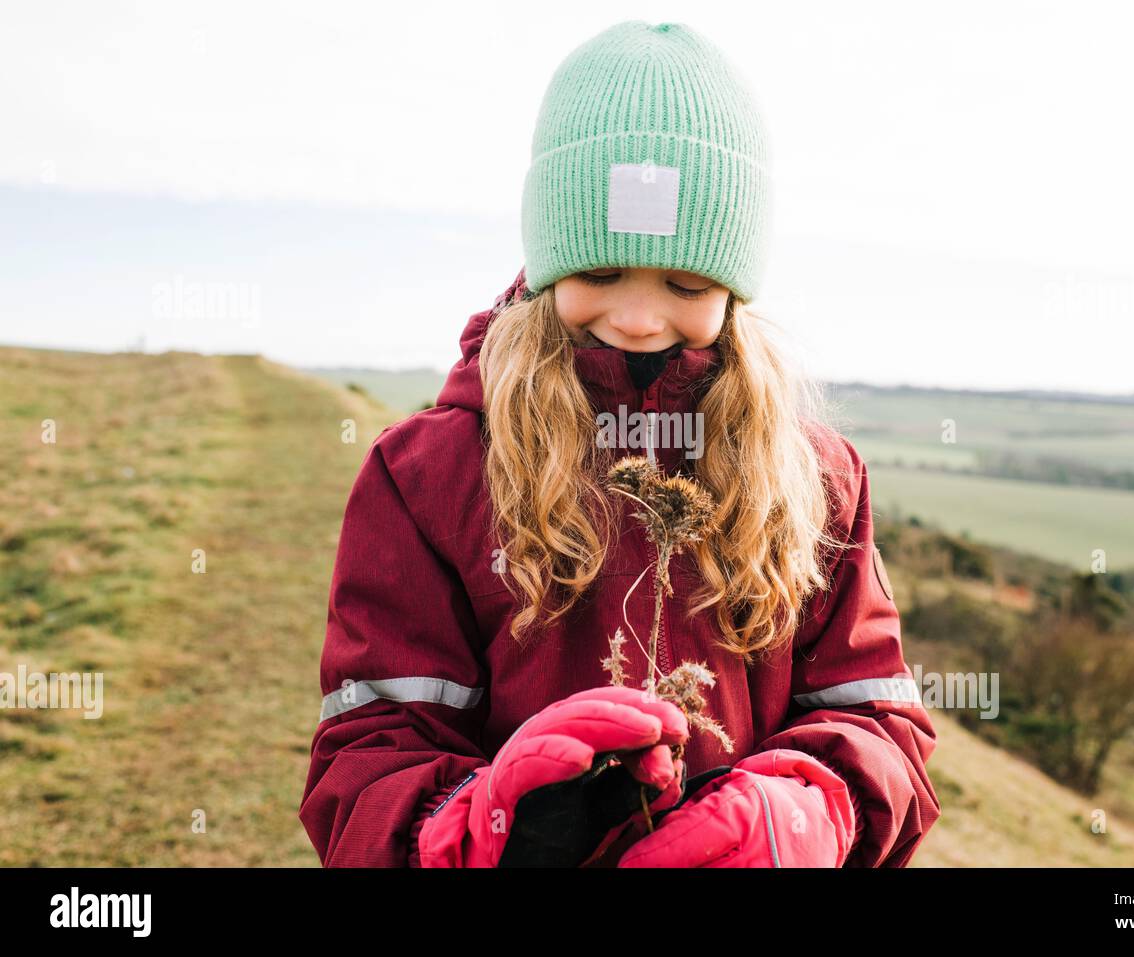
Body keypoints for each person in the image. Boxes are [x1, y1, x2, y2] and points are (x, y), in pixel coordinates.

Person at [298, 19, 939, 868]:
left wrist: (803, 816)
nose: (638, 319)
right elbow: (365, 753)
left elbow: (882, 725)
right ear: (548, 263)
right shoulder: (426, 478)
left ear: (737, 286)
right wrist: (479, 824)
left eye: (685, 283)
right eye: (599, 273)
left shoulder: (818, 482)